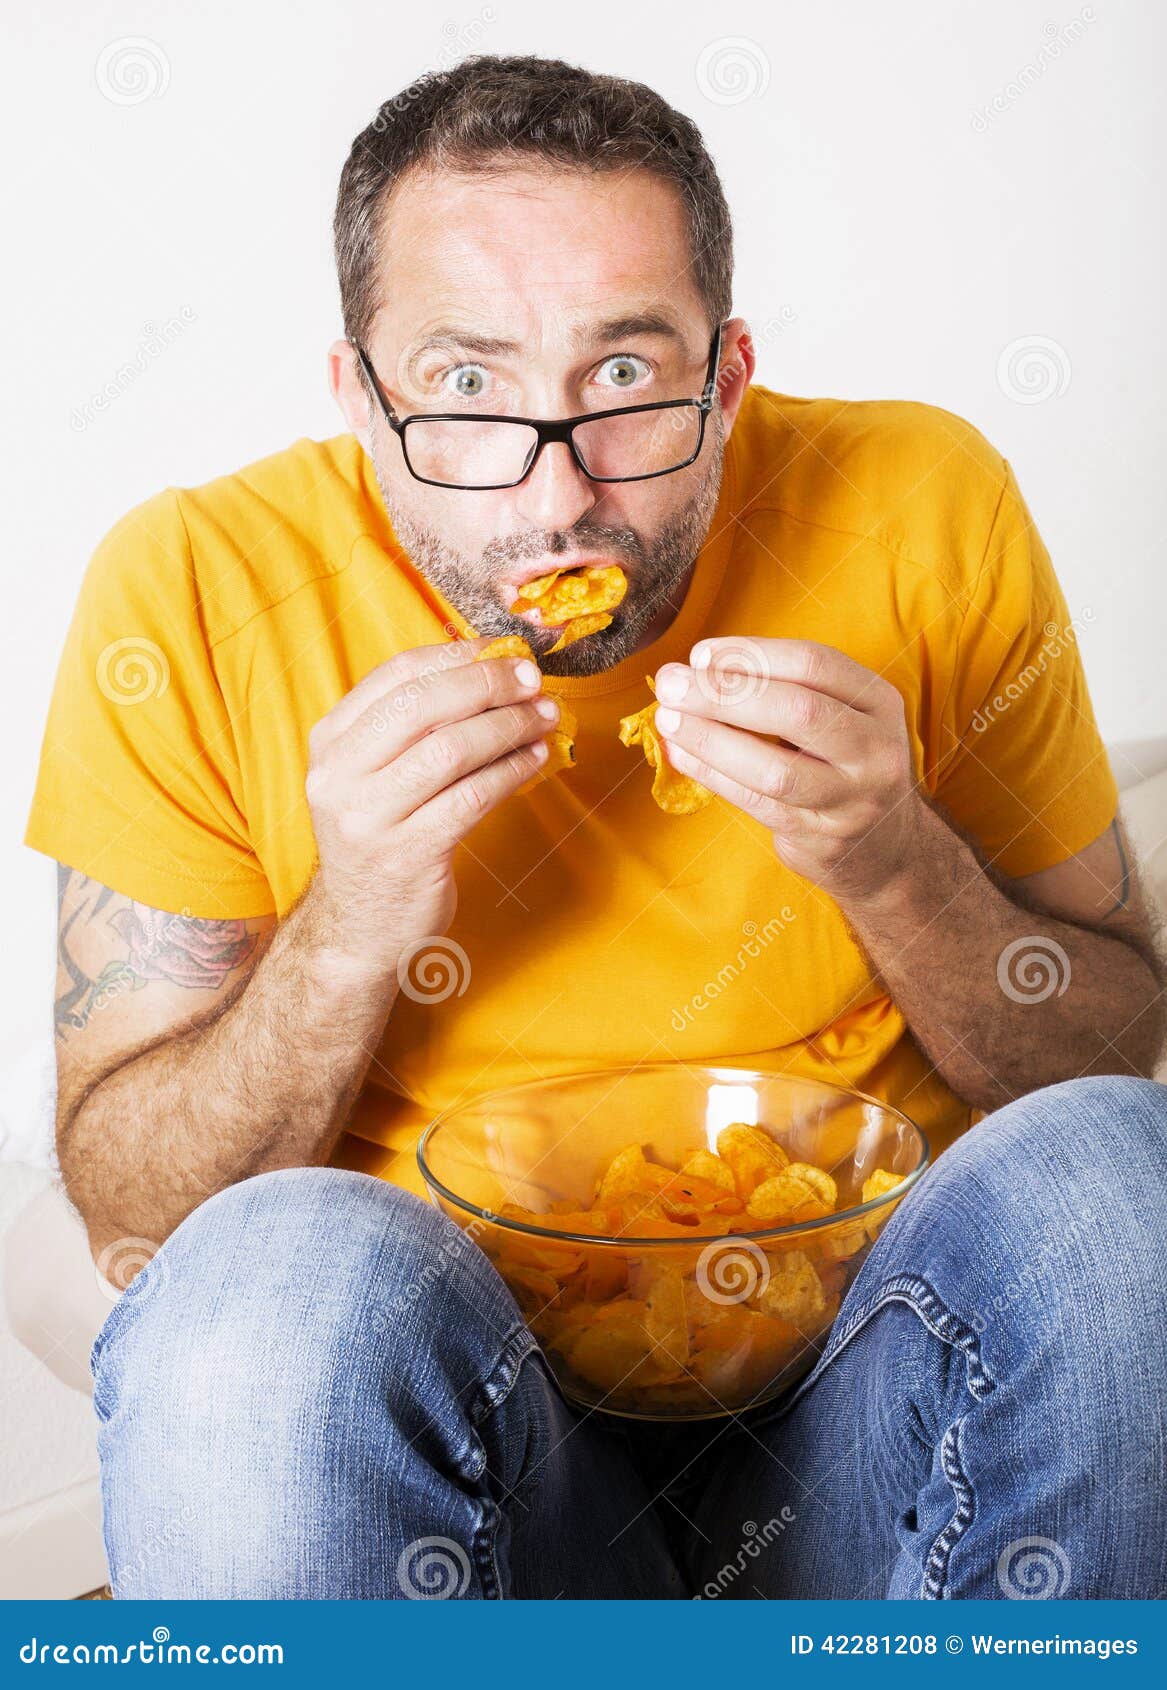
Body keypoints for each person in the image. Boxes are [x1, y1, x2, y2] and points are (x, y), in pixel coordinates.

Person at [25, 55, 1166, 1599]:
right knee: (261, 1294)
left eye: (625, 378)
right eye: (470, 386)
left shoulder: (922, 502)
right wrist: (349, 926)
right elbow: (134, 1212)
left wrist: (899, 864)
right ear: (360, 392)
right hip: (452, 1436)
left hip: (878, 1411)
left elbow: (1105, 1051)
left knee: (1121, 1177)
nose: (553, 497)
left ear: (729, 374)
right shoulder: (191, 589)